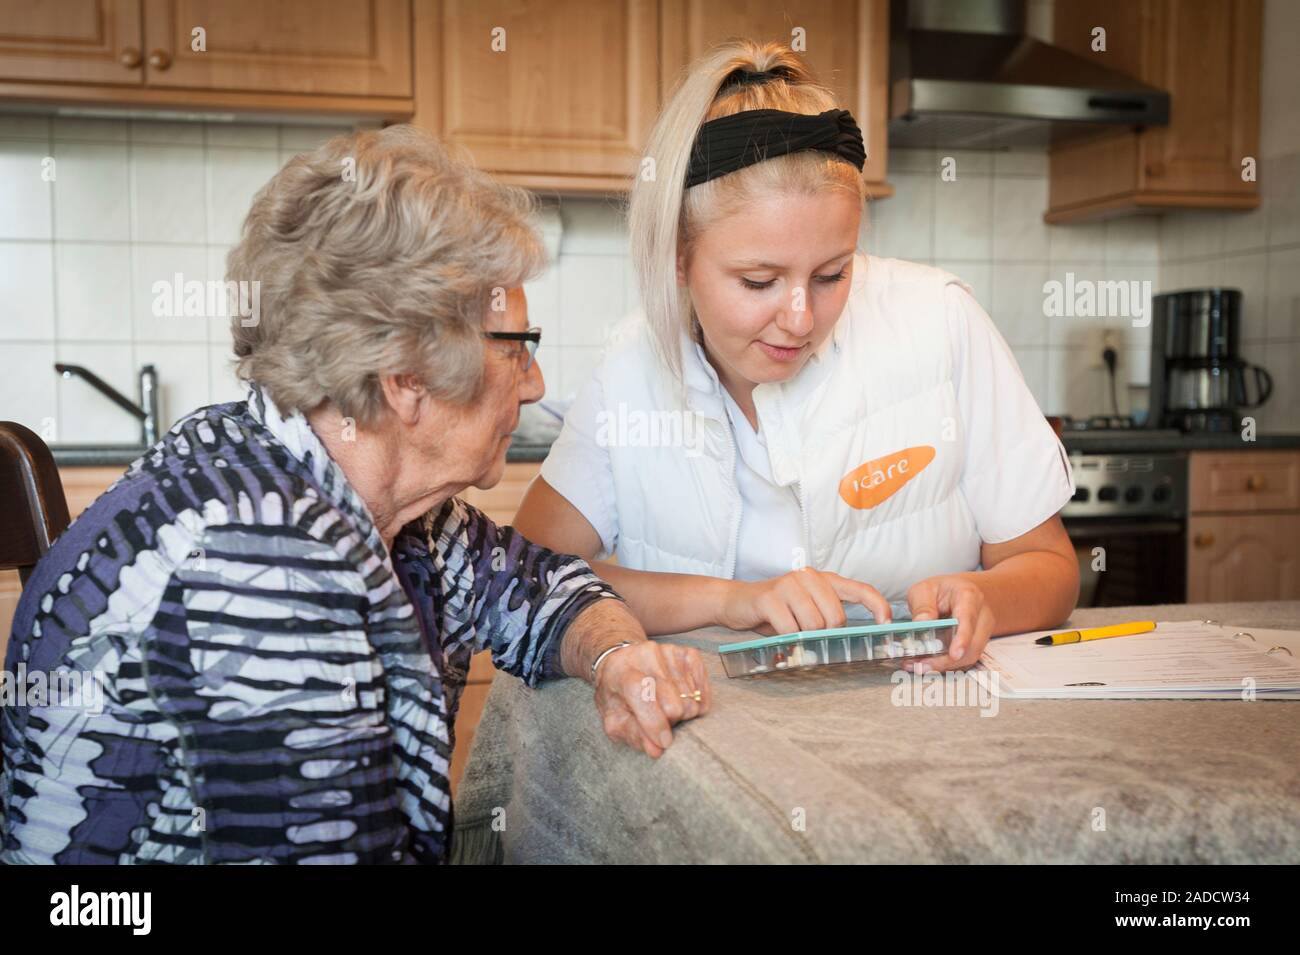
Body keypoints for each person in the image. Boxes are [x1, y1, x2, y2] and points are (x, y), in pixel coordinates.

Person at [0, 125, 710, 865]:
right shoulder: (261, 565)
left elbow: (546, 588)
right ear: (405, 379)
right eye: (516, 347)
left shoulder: (394, 514)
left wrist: (617, 655)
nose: (534, 383)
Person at [514, 40, 1080, 670]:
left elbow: (1052, 569)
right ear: (678, 255)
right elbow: (528, 576)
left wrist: (985, 595)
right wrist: (729, 601)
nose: (800, 318)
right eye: (758, 282)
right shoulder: (632, 363)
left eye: (833, 274)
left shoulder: (941, 320)